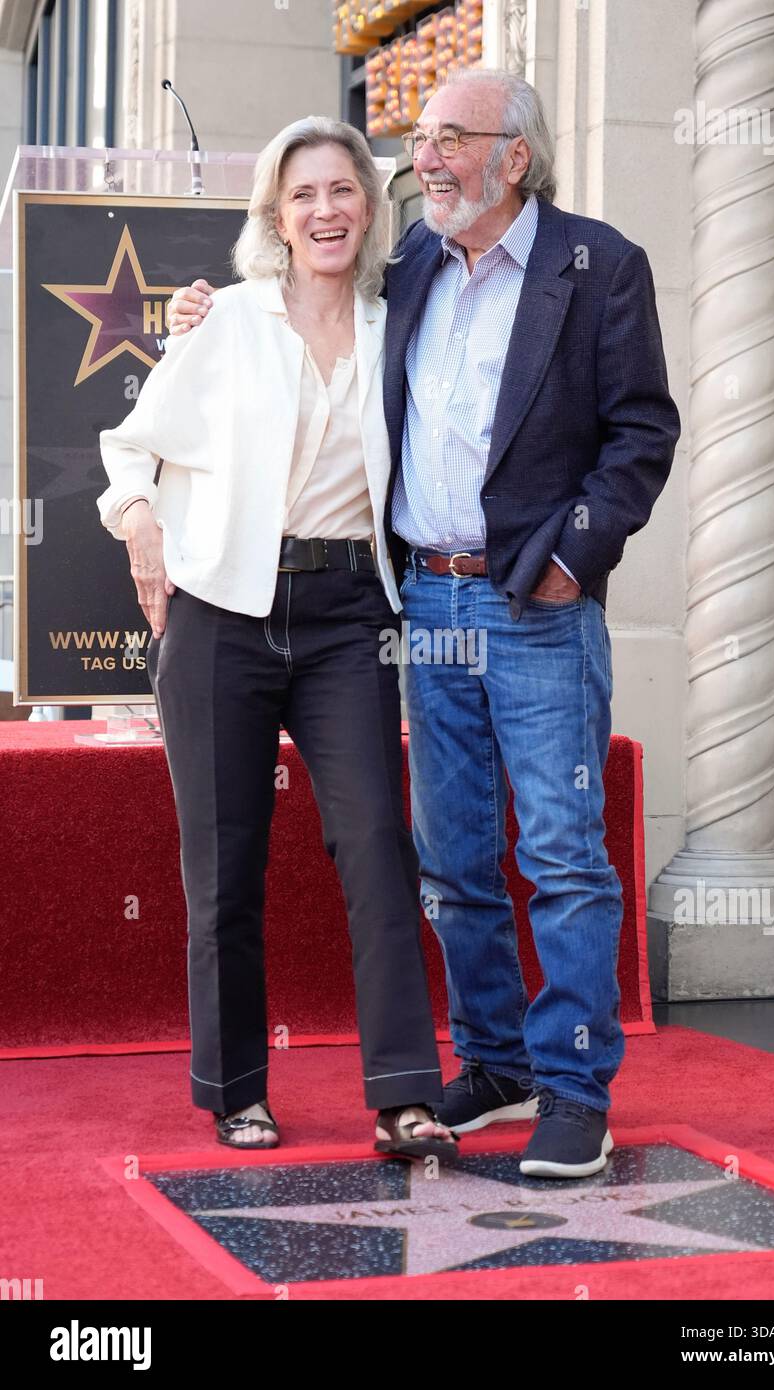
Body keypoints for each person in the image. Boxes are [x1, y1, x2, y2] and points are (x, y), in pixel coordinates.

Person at [167, 70, 681, 1179]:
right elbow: (288, 314)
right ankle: (493, 1063)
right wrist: (194, 312)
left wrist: (570, 558)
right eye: (423, 136)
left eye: (451, 137)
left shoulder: (595, 266)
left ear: (514, 155)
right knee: (452, 858)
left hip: (531, 602)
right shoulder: (403, 268)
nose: (427, 156)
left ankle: (573, 1087)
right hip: (420, 606)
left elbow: (640, 432)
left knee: (559, 853)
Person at [97, 117, 457, 1163]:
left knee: (378, 848)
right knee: (225, 862)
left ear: (367, 206)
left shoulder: (404, 326)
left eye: (342, 190)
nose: (326, 211)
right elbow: (128, 448)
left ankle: (401, 1092)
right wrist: (140, 529)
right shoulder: (226, 324)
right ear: (275, 217)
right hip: (219, 614)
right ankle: (234, 1088)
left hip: (348, 612)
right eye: (302, 196)